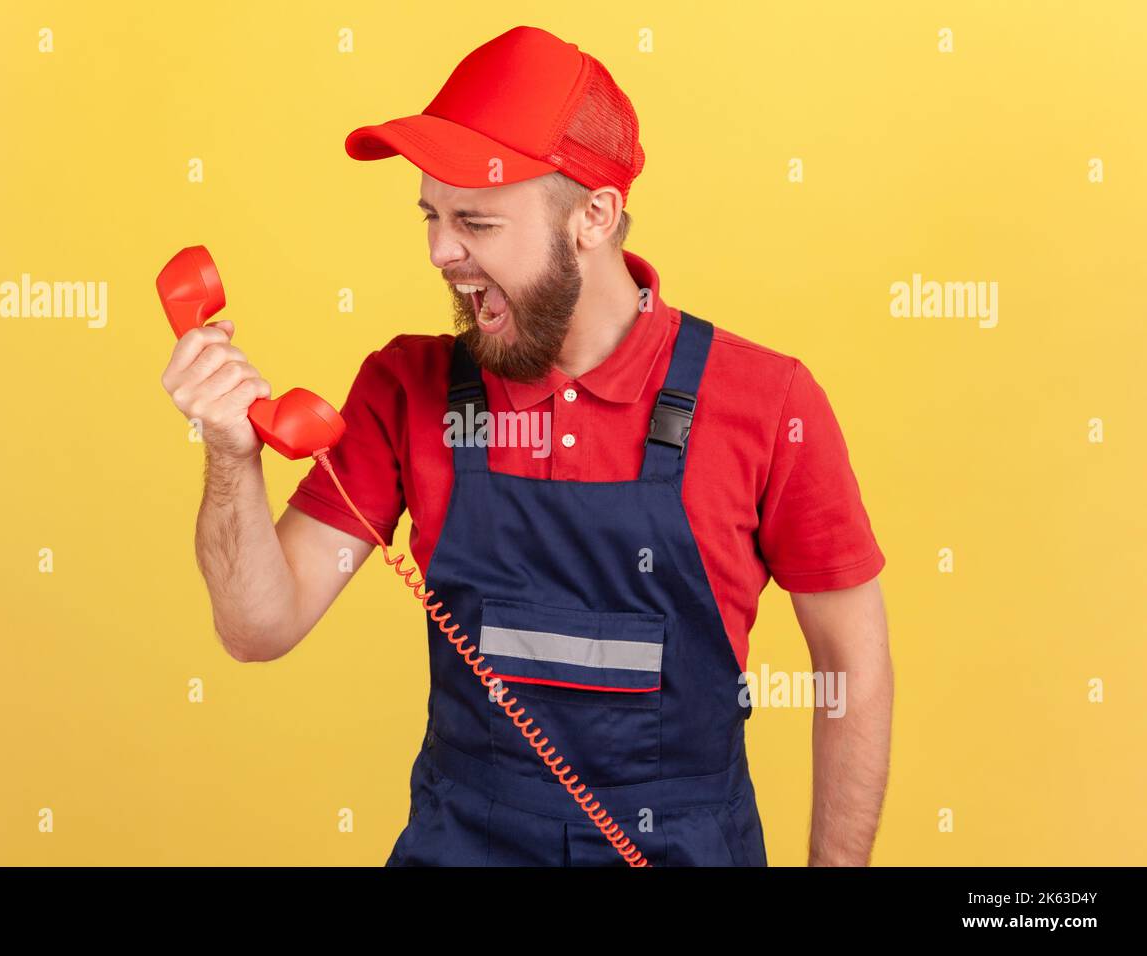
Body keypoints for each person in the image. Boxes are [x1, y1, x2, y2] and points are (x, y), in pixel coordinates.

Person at [160, 25, 892, 867]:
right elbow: (259, 626)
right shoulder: (406, 388)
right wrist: (230, 455)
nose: (441, 252)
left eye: (475, 221)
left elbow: (853, 667)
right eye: (432, 217)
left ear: (594, 217)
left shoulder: (767, 402)